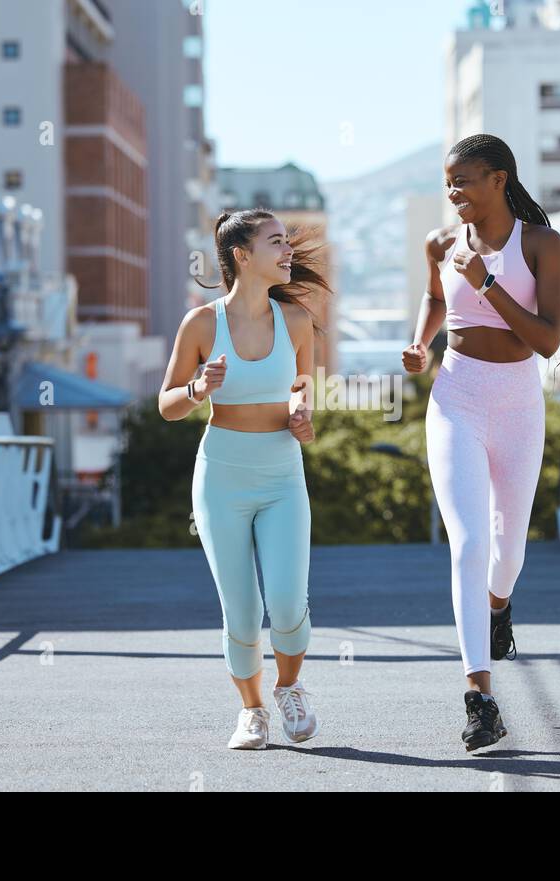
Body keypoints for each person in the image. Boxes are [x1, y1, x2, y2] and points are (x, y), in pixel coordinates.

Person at [403, 134, 560, 752]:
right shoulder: (441, 244)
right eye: (448, 183)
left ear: (499, 180)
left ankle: (499, 606)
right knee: (469, 544)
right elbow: (433, 298)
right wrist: (422, 344)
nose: (454, 194)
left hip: (519, 403)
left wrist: (487, 283)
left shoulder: (541, 244)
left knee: (508, 553)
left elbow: (548, 340)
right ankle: (481, 698)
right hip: (456, 398)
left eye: (465, 181)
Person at [160, 209, 331, 750]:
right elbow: (165, 406)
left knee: (285, 600)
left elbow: (302, 392)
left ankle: (289, 688)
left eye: (285, 242)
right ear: (241, 256)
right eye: (275, 242)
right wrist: (196, 389)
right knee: (241, 609)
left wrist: (302, 418)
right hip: (221, 475)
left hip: (282, 472)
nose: (287, 251)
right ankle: (251, 711)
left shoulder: (298, 321)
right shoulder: (202, 324)